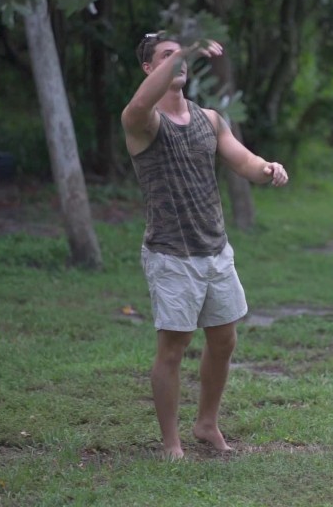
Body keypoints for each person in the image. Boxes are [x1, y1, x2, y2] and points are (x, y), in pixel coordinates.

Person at [121, 32, 288, 460]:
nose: (178, 61)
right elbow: (139, 105)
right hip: (171, 253)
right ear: (149, 68)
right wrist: (187, 50)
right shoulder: (143, 123)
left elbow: (243, 161)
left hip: (215, 250)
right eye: (167, 56)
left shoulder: (209, 119)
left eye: (182, 55)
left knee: (224, 340)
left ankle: (206, 424)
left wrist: (267, 168)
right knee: (173, 348)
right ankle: (171, 443)